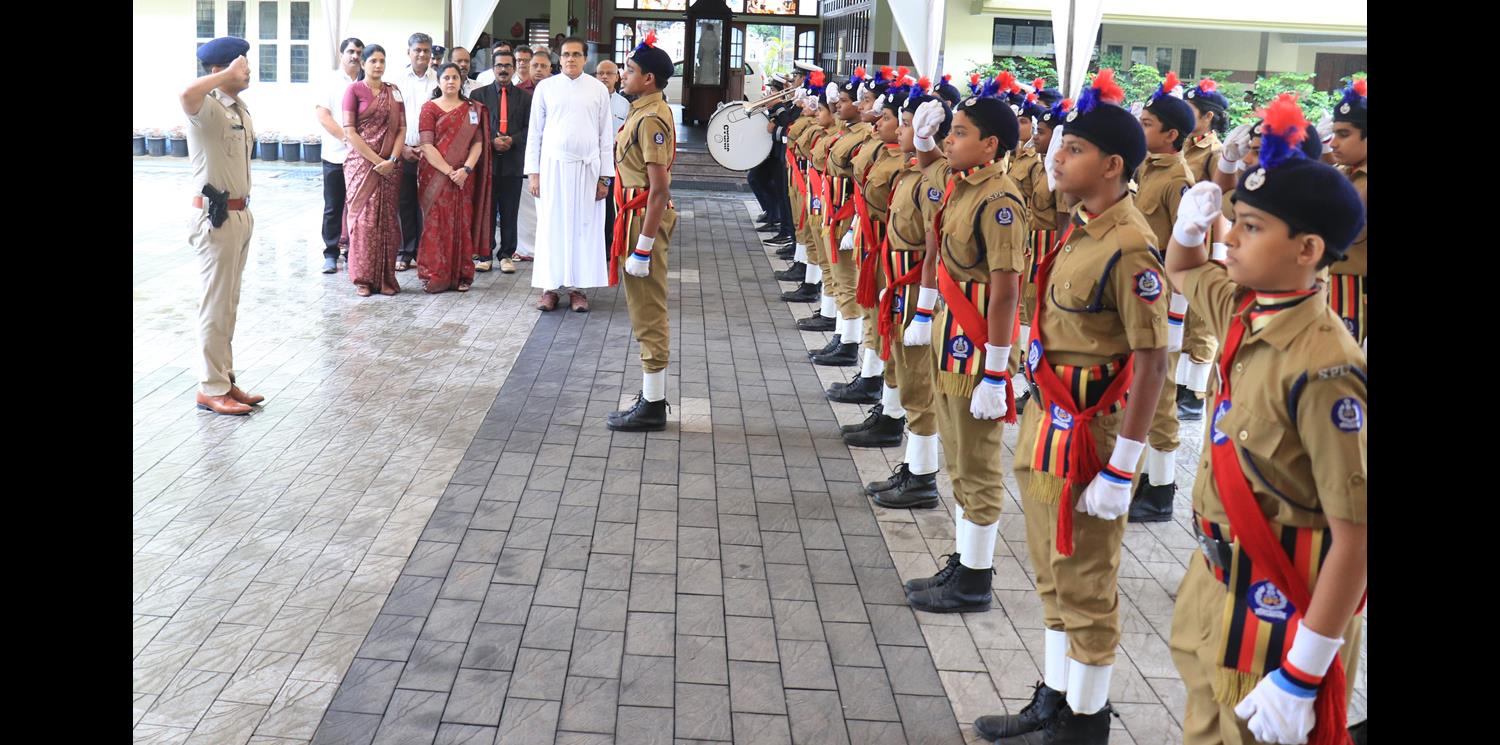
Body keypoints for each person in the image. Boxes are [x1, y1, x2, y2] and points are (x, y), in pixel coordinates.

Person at [970, 70, 1169, 744]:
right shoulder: (1083, 227)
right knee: (1054, 576)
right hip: (1048, 426)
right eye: (1058, 144)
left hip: (1092, 435)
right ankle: (1055, 700)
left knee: (1085, 583)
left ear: (1112, 166)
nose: (1055, 154)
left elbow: (1151, 359)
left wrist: (1124, 467)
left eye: (1073, 149)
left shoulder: (1131, 245)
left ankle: (1085, 722)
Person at [1161, 94, 1366, 745]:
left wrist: (1305, 671)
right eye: (1236, 222)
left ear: (1307, 248)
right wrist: (1191, 227)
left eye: (1250, 226)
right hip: (1216, 577)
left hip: (1282, 604)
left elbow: (1357, 535)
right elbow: (1185, 269)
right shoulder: (1247, 306)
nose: (1232, 237)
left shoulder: (1329, 365)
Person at [900, 79, 1029, 616]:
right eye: (949, 132)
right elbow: (937, 253)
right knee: (956, 456)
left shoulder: (1000, 201)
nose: (948, 142)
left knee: (976, 464)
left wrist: (998, 373)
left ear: (991, 144)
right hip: (950, 336)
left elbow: (1006, 292)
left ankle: (975, 578)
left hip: (975, 349)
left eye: (959, 133)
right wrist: (925, 313)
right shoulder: (962, 186)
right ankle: (964, 557)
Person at [860, 76, 950, 507]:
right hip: (899, 285)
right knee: (901, 368)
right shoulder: (915, 169)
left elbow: (933, 245)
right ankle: (913, 467)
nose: (901, 129)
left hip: (917, 288)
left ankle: (923, 478)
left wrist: (925, 310)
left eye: (910, 123)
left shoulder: (933, 179)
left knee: (918, 383)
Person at [1126, 73, 1200, 524]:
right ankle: (1145, 479)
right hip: (1140, 297)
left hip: (1163, 303)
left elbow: (1187, 251)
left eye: (1149, 122)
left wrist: (1176, 317)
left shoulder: (1179, 181)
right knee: (1141, 388)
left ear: (1172, 135)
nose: (1141, 126)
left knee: (1162, 394)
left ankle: (1161, 488)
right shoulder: (1147, 167)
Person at [181, 37, 263, 416]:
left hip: (239, 216)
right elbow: (185, 93)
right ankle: (210, 388)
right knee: (214, 305)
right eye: (240, 64)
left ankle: (224, 379)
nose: (247, 69)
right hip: (216, 219)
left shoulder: (239, 110)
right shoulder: (207, 108)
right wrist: (222, 77)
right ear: (219, 71)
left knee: (228, 304)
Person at [606, 31, 678, 432]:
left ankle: (653, 404)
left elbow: (659, 187)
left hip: (642, 221)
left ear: (648, 78)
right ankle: (651, 394)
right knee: (641, 309)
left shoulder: (650, 116)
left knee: (648, 311)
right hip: (633, 216)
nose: (623, 74)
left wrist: (644, 247)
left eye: (630, 70)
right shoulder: (642, 108)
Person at [524, 37, 614, 312]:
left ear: (586, 59)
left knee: (584, 228)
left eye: (576, 54)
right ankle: (550, 288)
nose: (571, 59)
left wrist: (605, 177)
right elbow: (535, 133)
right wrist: (534, 173)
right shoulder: (545, 88)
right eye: (565, 55)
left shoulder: (598, 89)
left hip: (588, 170)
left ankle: (579, 289)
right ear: (558, 59)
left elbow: (605, 135)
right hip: (553, 169)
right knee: (552, 226)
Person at [812, 70, 876, 368]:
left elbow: (862, 185)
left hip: (846, 213)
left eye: (858, 100)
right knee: (838, 276)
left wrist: (852, 225)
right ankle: (842, 333)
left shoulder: (864, 137)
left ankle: (850, 344)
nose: (842, 105)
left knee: (848, 280)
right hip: (832, 209)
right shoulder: (848, 132)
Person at [416, 63, 491, 293]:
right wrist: (449, 171)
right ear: (438, 82)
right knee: (435, 225)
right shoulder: (429, 108)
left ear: (461, 81)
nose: (450, 81)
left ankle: (461, 274)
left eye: (455, 77)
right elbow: (427, 145)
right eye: (446, 77)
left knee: (461, 222)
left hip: (463, 178)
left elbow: (478, 143)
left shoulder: (472, 109)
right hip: (436, 176)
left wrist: (465, 170)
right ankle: (435, 273)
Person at [342, 45, 406, 297]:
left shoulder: (394, 92)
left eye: (382, 61)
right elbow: (350, 131)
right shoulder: (353, 91)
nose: (378, 65)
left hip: (390, 166)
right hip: (362, 165)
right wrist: (376, 160)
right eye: (373, 61)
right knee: (365, 221)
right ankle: (363, 279)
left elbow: (402, 128)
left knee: (388, 220)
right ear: (363, 64)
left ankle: (385, 278)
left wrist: (391, 159)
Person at [471, 49, 531, 275]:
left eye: (508, 65)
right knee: (486, 210)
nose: (503, 69)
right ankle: (485, 254)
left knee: (509, 211)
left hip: (513, 163)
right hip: (486, 162)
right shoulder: (479, 96)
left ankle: (506, 254)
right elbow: (473, 128)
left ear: (514, 68)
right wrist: (491, 142)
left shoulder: (525, 98)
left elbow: (530, 129)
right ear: (493, 68)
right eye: (499, 65)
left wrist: (512, 141)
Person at [314, 37, 363, 274]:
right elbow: (324, 116)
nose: (355, 56)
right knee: (333, 207)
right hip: (335, 156)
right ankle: (331, 254)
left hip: (363, 158)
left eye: (359, 53)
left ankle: (356, 252)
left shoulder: (368, 82)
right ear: (341, 53)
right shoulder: (330, 82)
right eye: (351, 51)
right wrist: (348, 139)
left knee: (360, 207)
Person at [1326, 79, 1367, 346]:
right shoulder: (1344, 174)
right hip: (1335, 285)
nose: (1333, 143)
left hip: (1355, 289)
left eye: (1344, 134)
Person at [395, 33, 437, 272]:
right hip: (404, 150)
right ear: (408, 52)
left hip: (431, 153)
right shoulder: (397, 80)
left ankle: (425, 252)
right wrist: (402, 148)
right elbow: (391, 118)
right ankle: (405, 251)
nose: (422, 54)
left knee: (428, 204)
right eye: (418, 50)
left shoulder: (439, 81)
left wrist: (426, 148)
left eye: (426, 51)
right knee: (405, 203)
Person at [595, 59, 630, 131]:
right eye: (601, 73)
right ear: (596, 76)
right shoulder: (587, 100)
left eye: (609, 73)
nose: (604, 76)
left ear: (617, 77)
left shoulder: (625, 104)